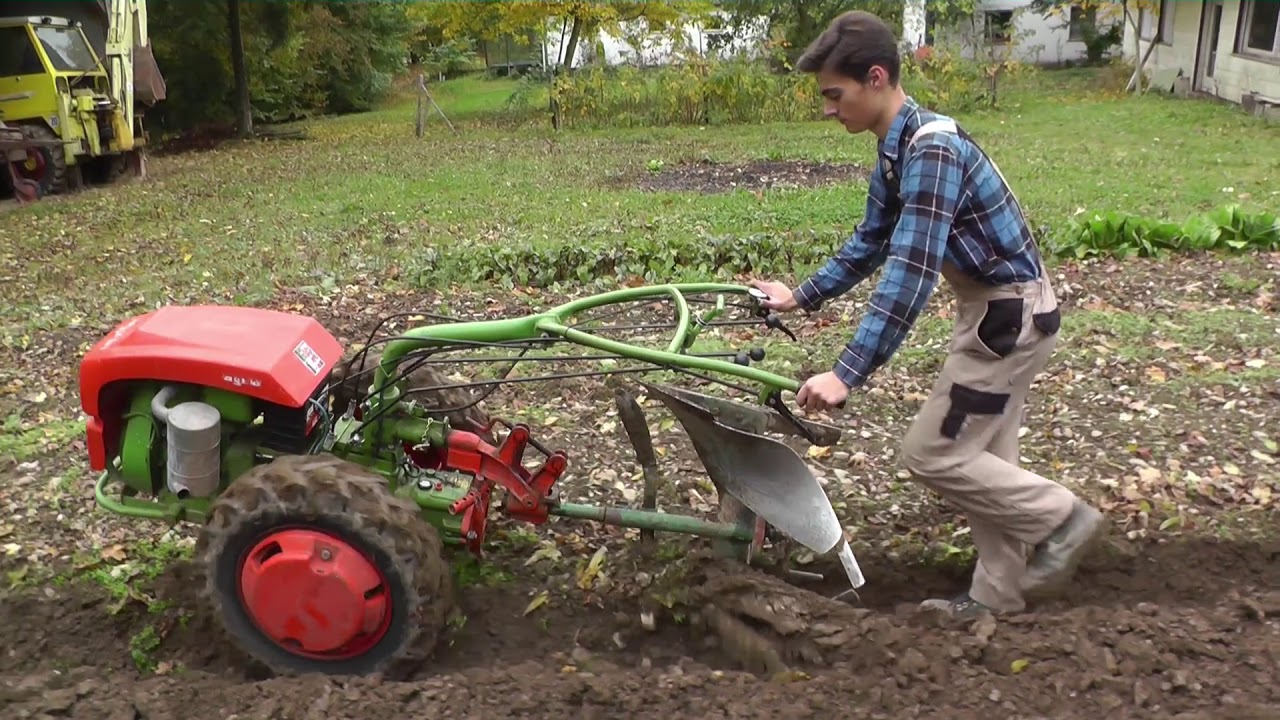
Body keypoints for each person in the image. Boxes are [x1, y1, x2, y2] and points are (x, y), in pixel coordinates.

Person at [749, 11, 1106, 618]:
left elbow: (911, 272)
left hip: (1006, 323)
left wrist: (846, 373)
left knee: (933, 453)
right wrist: (801, 296)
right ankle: (997, 598)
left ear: (876, 78)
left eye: (835, 95)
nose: (828, 109)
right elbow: (872, 240)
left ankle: (1064, 520)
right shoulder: (899, 146)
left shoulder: (931, 150)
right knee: (987, 467)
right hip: (999, 313)